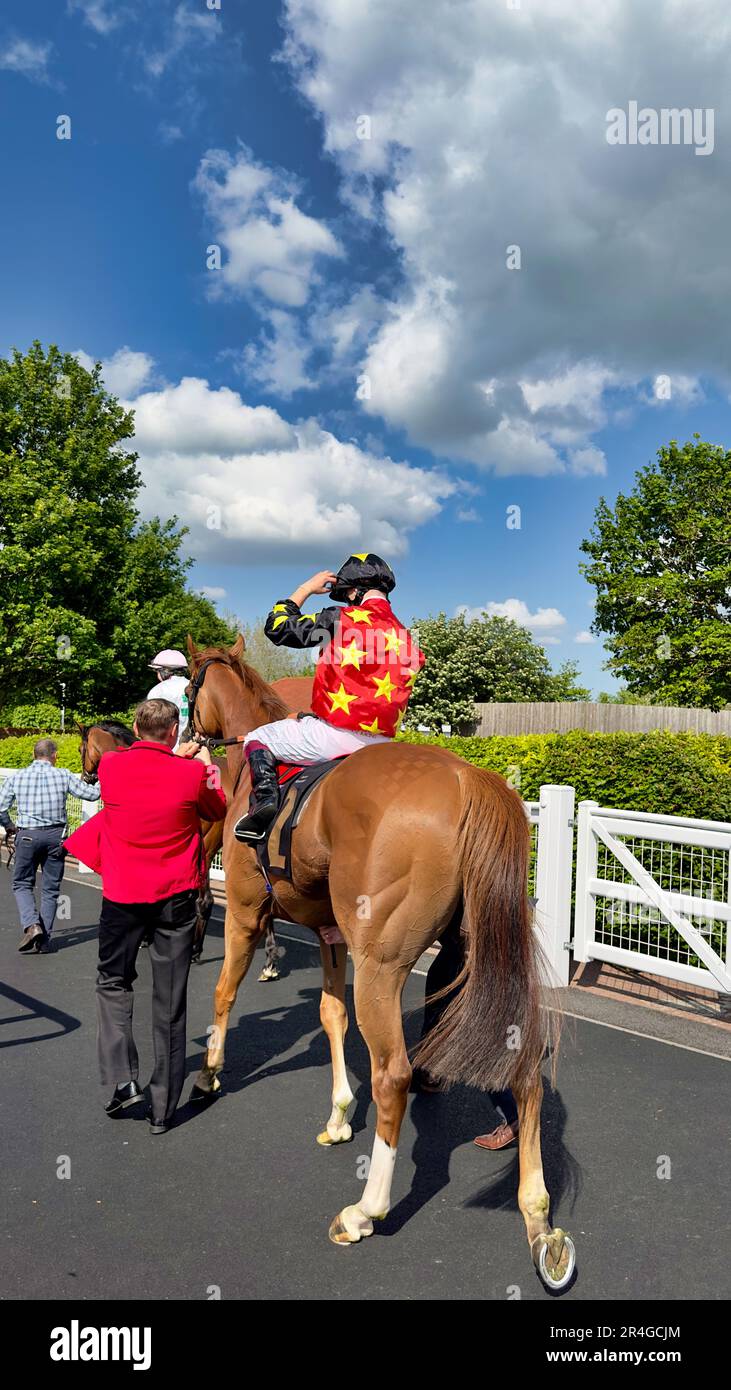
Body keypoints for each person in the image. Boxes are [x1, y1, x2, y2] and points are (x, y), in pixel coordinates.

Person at [64, 698, 227, 1134]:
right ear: (174, 732)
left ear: (136, 728)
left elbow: (137, 768)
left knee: (113, 982)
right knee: (169, 1001)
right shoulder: (191, 773)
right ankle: (162, 1109)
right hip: (174, 898)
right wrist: (203, 762)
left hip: (122, 898)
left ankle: (123, 1080)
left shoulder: (113, 767)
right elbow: (219, 809)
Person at [234, 552, 424, 842]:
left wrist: (306, 589)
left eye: (346, 595)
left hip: (333, 736)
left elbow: (277, 627)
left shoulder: (338, 618)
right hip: (383, 744)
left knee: (256, 738)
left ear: (353, 590)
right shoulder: (406, 635)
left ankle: (264, 809)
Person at [415, 913, 520, 1150]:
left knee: (476, 1031)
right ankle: (429, 1070)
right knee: (438, 981)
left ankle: (513, 1115)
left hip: (474, 939)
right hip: (464, 939)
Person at [0, 738, 101, 954]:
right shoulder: (63, 774)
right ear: (54, 755)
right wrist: (104, 776)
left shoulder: (18, 777)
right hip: (57, 838)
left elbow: (1, 808)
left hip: (27, 837)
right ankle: (44, 941)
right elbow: (93, 794)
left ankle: (32, 925)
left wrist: (9, 827)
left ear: (34, 754)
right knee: (50, 890)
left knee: (21, 884)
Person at [147, 649, 190, 749]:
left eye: (157, 671)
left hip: (166, 748)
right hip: (193, 747)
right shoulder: (193, 686)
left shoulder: (158, 690)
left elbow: (150, 724)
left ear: (164, 671)